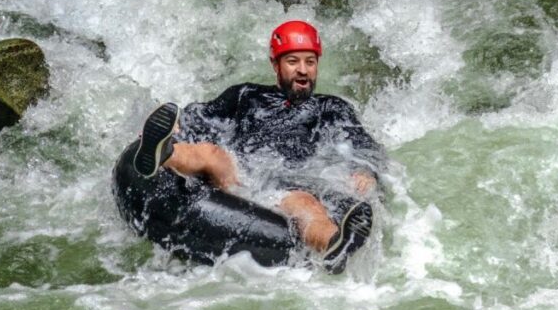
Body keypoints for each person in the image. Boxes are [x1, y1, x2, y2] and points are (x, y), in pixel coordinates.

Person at [131, 20, 385, 270]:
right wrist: (178, 124)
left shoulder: (331, 107)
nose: (303, 70)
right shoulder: (245, 95)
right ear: (275, 64)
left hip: (284, 191)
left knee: (305, 204)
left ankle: (333, 245)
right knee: (211, 153)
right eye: (293, 62)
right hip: (238, 176)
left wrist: (365, 171)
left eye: (310, 62)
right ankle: (161, 152)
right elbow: (203, 118)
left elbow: (362, 144)